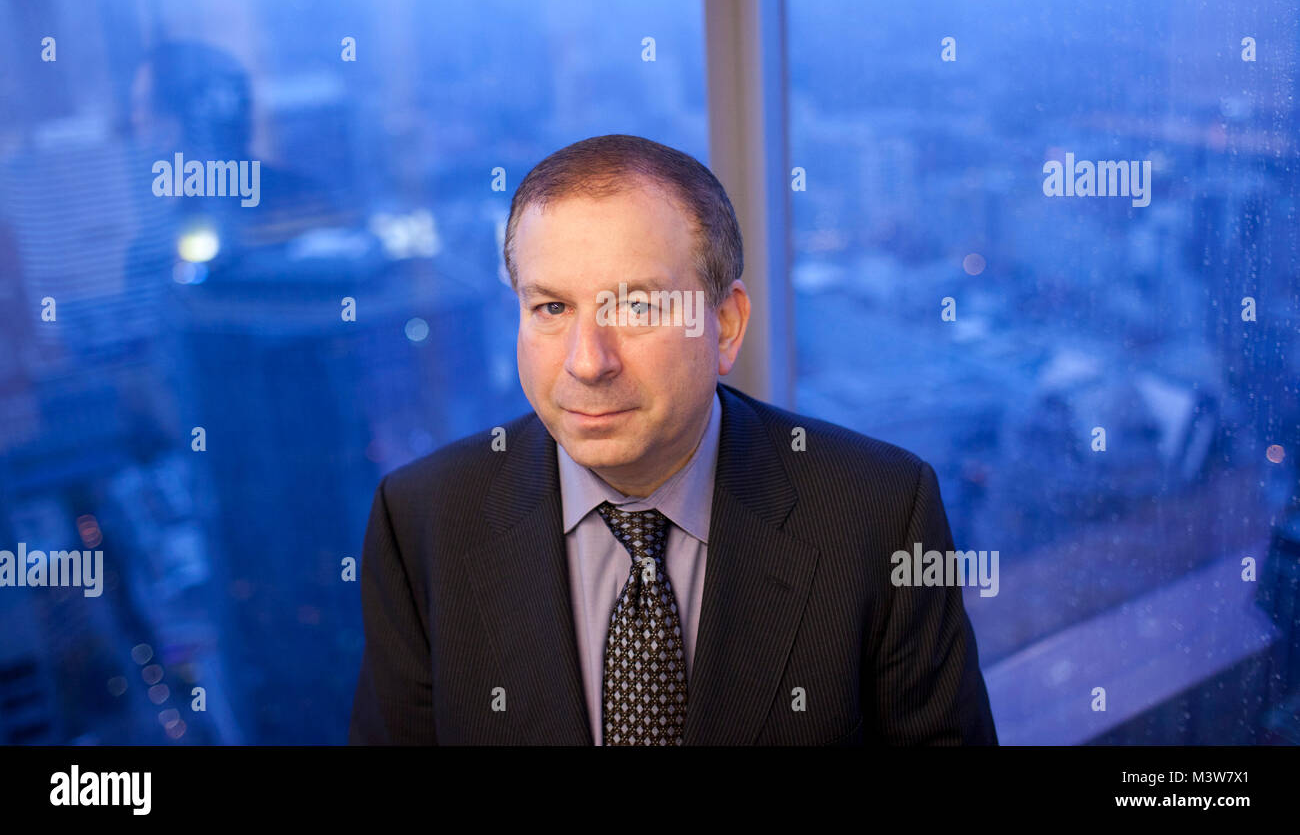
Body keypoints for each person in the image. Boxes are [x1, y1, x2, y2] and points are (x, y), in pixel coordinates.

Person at [349, 133, 998, 745]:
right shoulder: (422, 521)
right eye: (551, 308)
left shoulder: (879, 513)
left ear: (726, 324)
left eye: (635, 307)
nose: (587, 361)